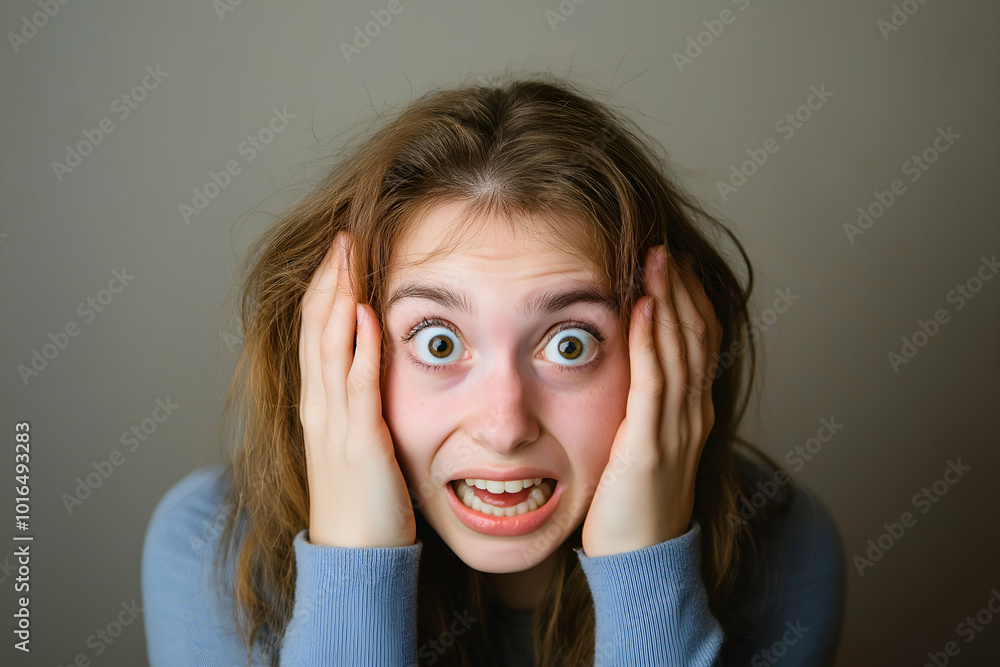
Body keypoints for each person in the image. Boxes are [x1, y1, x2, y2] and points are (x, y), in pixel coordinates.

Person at [141, 73, 846, 666]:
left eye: (571, 343)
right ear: (335, 357)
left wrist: (647, 577)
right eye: (438, 343)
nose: (505, 426)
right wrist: (354, 562)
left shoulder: (781, 547)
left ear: (670, 354)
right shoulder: (210, 546)